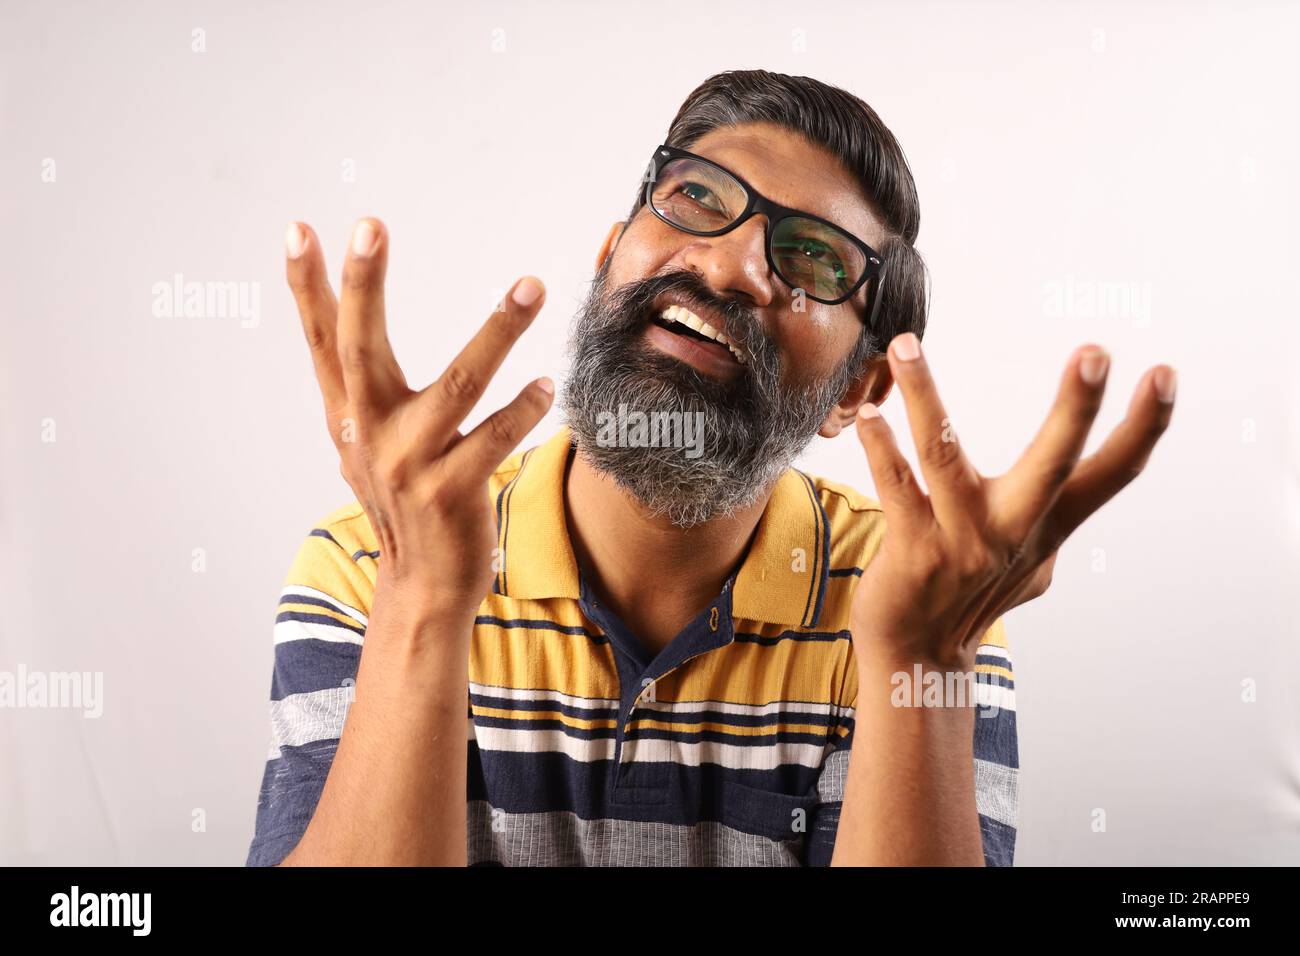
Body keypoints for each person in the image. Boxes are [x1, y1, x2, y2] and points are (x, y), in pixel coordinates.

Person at [245, 69, 1175, 867]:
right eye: (698, 198)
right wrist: (418, 596)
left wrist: (922, 658)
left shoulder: (925, 600)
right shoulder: (368, 565)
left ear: (859, 389)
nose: (732, 265)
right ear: (612, 258)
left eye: (813, 256)